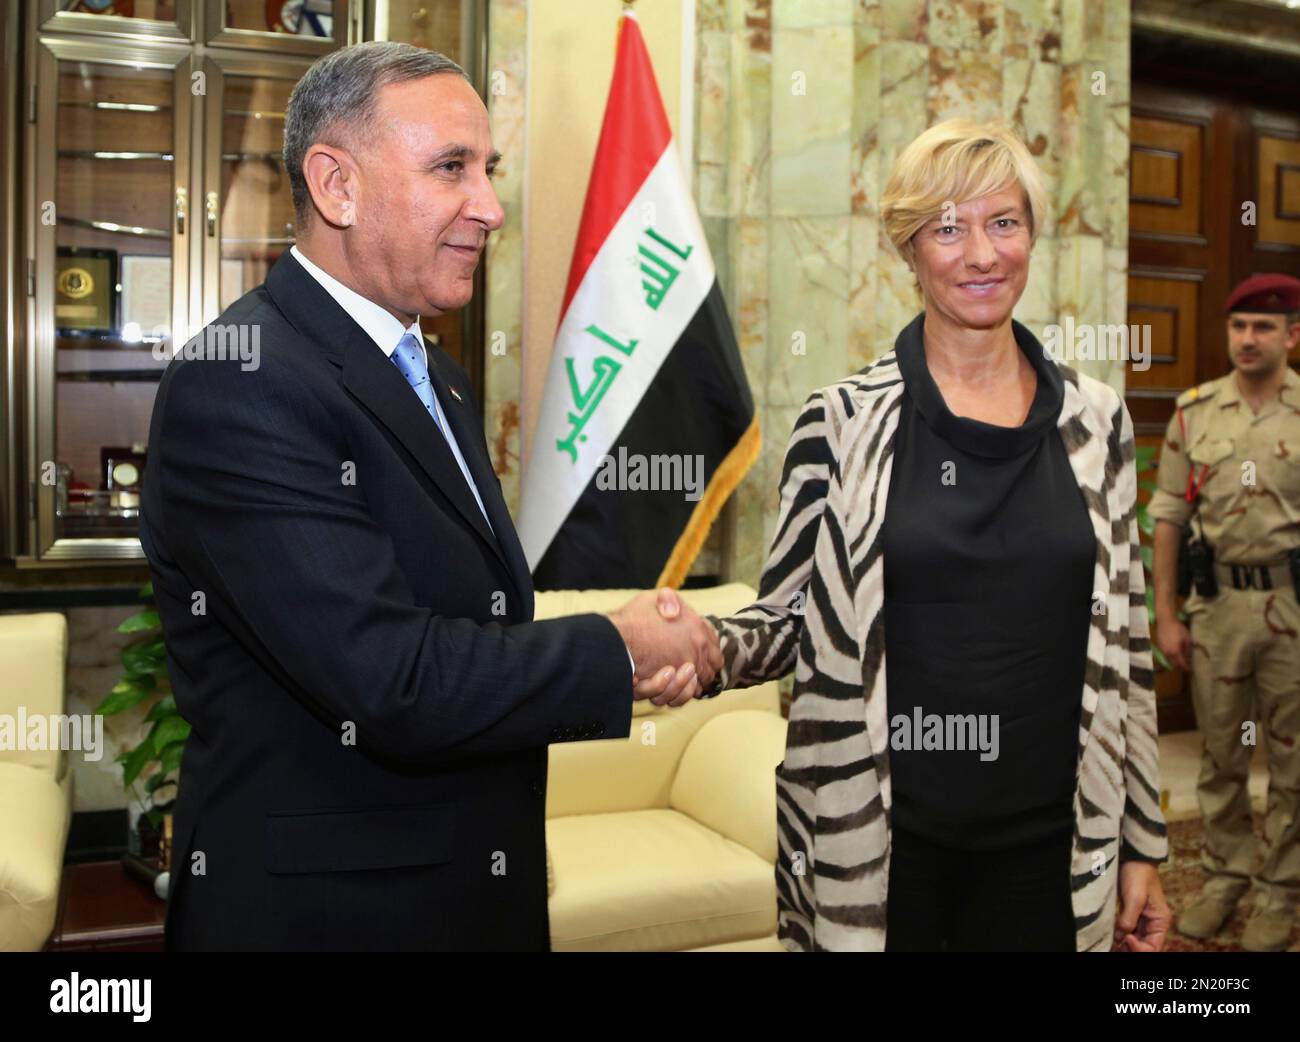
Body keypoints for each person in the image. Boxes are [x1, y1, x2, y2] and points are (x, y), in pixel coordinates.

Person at [139, 42, 718, 951]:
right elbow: (390, 680)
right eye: (453, 168)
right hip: (332, 925)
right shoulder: (242, 381)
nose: (490, 206)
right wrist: (620, 650)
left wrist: (627, 648)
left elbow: (476, 619)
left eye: (488, 170)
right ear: (336, 185)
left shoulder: (435, 375)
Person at [652, 118, 1170, 952]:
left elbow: (1129, 646)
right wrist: (704, 647)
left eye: (1004, 222)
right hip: (883, 852)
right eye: (948, 227)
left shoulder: (1097, 421)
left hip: (1057, 847)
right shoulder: (841, 423)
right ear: (910, 251)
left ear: (1033, 236)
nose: (981, 254)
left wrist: (1142, 841)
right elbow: (789, 620)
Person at [1151, 273, 1300, 952]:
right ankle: (1223, 877)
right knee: (1220, 755)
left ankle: (1279, 891)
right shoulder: (1195, 411)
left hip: (1292, 609)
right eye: (1238, 326)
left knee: (1294, 763)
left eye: (1263, 327)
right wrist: (1167, 613)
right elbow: (1169, 519)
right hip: (1216, 612)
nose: (1247, 338)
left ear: (1291, 336)